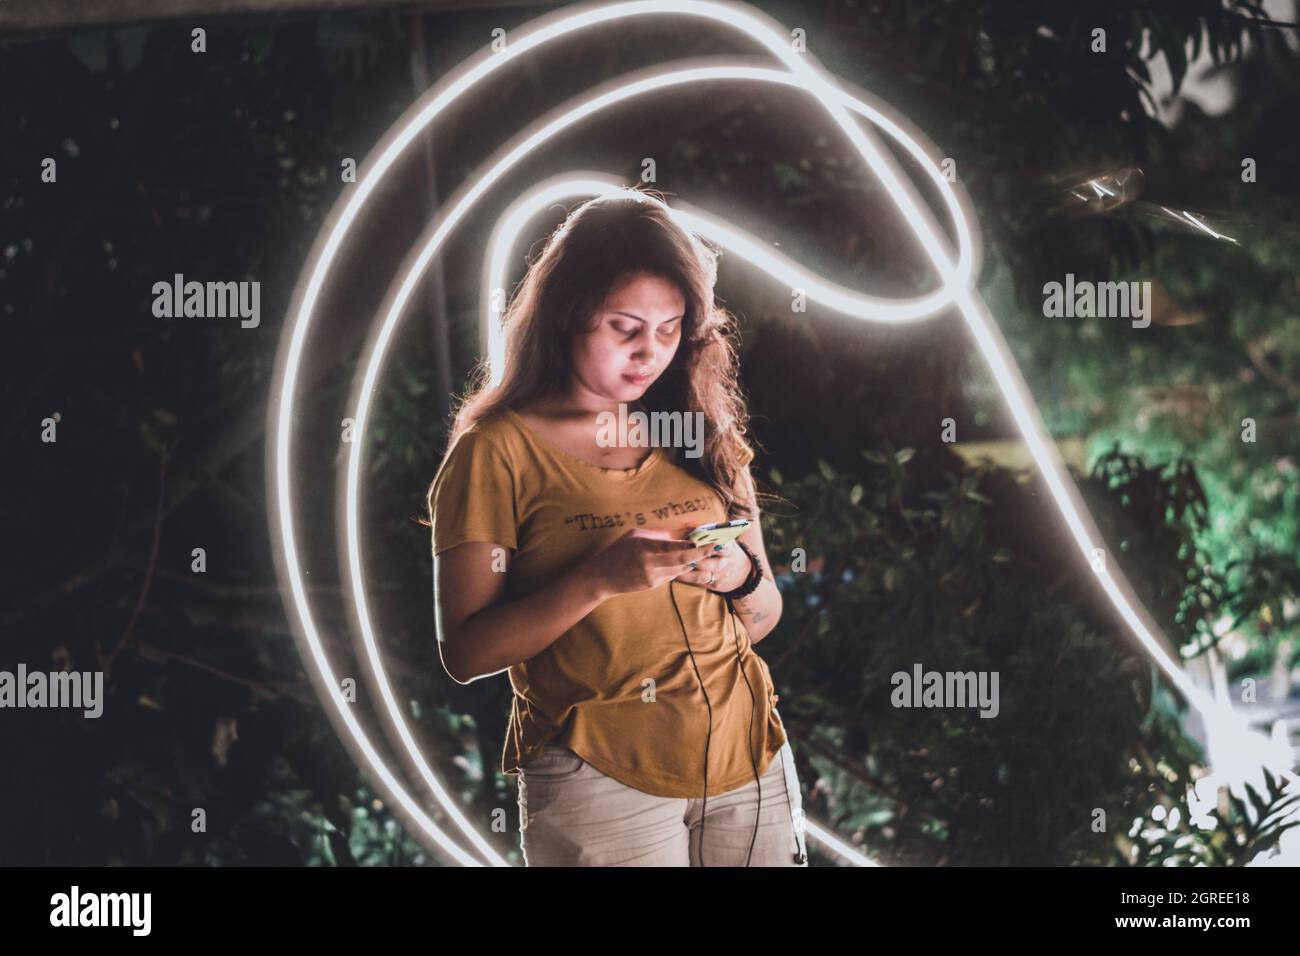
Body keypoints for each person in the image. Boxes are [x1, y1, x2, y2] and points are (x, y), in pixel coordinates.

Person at [423, 188, 807, 867]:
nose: (649, 353)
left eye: (669, 330)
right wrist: (598, 580)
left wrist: (737, 574)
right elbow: (467, 653)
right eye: (624, 328)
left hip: (750, 762)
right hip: (600, 777)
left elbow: (765, 614)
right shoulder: (497, 452)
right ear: (567, 316)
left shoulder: (699, 435)